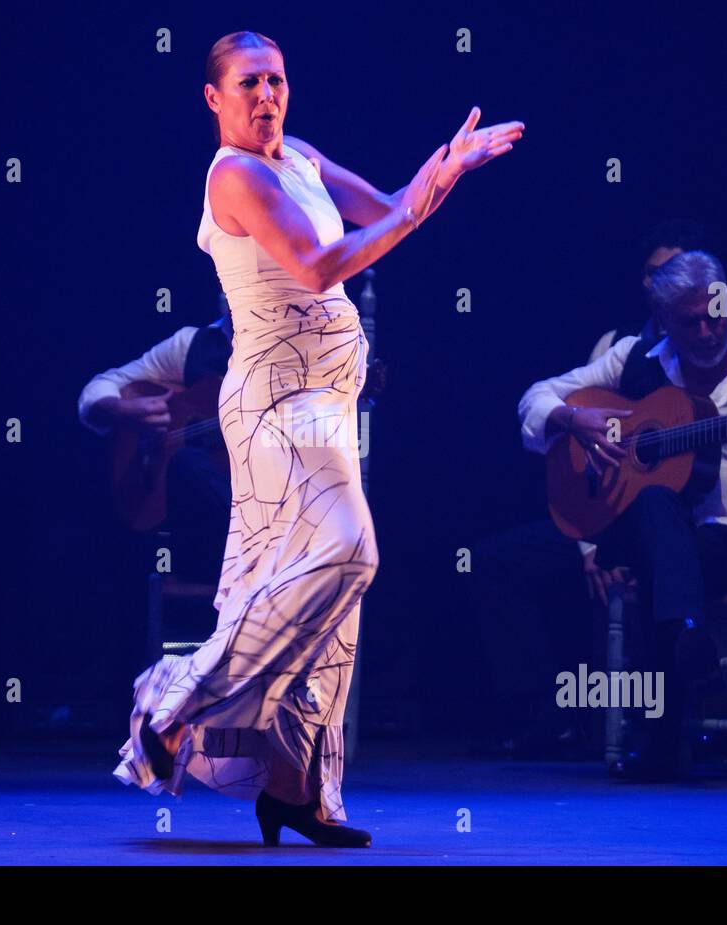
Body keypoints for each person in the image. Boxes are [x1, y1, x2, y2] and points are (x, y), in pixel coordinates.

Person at [112, 30, 523, 846]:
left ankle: (296, 786)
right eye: (249, 84)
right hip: (276, 403)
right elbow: (318, 264)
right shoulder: (232, 174)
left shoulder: (296, 154)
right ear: (214, 98)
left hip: (324, 405)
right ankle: (177, 702)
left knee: (329, 605)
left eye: (277, 80)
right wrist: (415, 205)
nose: (267, 96)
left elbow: (383, 208)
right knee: (350, 552)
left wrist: (444, 170)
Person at [518, 250, 727, 779]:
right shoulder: (634, 359)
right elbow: (534, 398)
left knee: (666, 559)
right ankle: (689, 633)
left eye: (715, 315)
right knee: (656, 508)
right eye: (688, 321)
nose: (705, 330)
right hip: (652, 535)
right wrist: (573, 417)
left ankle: (662, 738)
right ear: (662, 318)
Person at [467, 221, 710, 759]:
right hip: (599, 521)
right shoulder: (621, 351)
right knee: (495, 560)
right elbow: (537, 404)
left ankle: (652, 730)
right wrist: (587, 543)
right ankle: (539, 719)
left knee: (649, 552)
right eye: (655, 274)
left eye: (678, 274)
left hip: (664, 526)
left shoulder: (718, 354)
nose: (664, 286)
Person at [78, 317, 233, 584]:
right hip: (206, 543)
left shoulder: (309, 349)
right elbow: (98, 389)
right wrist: (123, 409)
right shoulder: (193, 345)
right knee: (186, 461)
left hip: (284, 520)